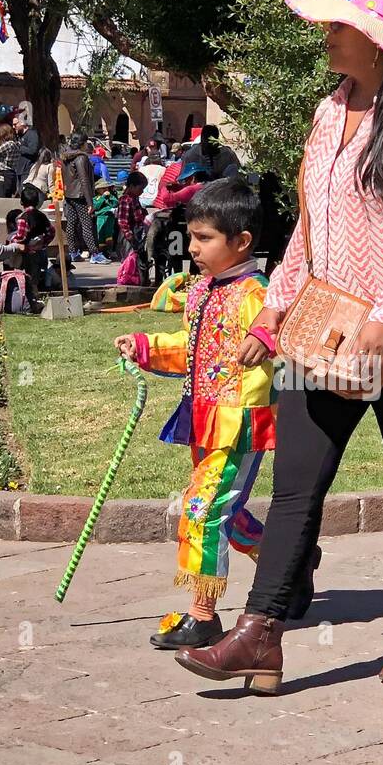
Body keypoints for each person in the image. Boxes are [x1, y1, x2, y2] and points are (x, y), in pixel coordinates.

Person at [174, 0, 383, 695]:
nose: (326, 34)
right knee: (295, 482)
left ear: (379, 40)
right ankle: (261, 634)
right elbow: (310, 226)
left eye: (340, 24)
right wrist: (277, 303)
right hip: (320, 329)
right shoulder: (328, 111)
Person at [115, 178, 277, 651]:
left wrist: (267, 339)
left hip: (239, 423)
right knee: (228, 509)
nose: (193, 248)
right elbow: (193, 350)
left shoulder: (258, 294)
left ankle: (203, 615)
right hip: (201, 417)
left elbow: (285, 338)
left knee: (203, 510)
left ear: (241, 242)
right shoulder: (205, 291)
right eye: (192, 237)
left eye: (204, 238)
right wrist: (145, 347)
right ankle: (288, 561)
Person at [59, 135, 96, 261]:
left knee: (71, 224)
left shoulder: (66, 157)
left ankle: (73, 251)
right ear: (83, 143)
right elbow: (84, 180)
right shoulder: (81, 158)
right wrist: (90, 201)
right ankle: (94, 253)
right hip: (80, 195)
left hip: (69, 194)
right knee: (86, 224)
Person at [0, 123, 20, 198]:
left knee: (0, 197)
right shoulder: (15, 143)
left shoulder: (8, 144)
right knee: (7, 197)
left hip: (4, 173)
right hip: (11, 174)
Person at [13, 110, 41, 183]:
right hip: (19, 170)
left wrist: (19, 147)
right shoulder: (19, 136)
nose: (13, 127)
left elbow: (33, 150)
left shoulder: (32, 134)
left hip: (28, 171)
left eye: (15, 124)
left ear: (22, 123)